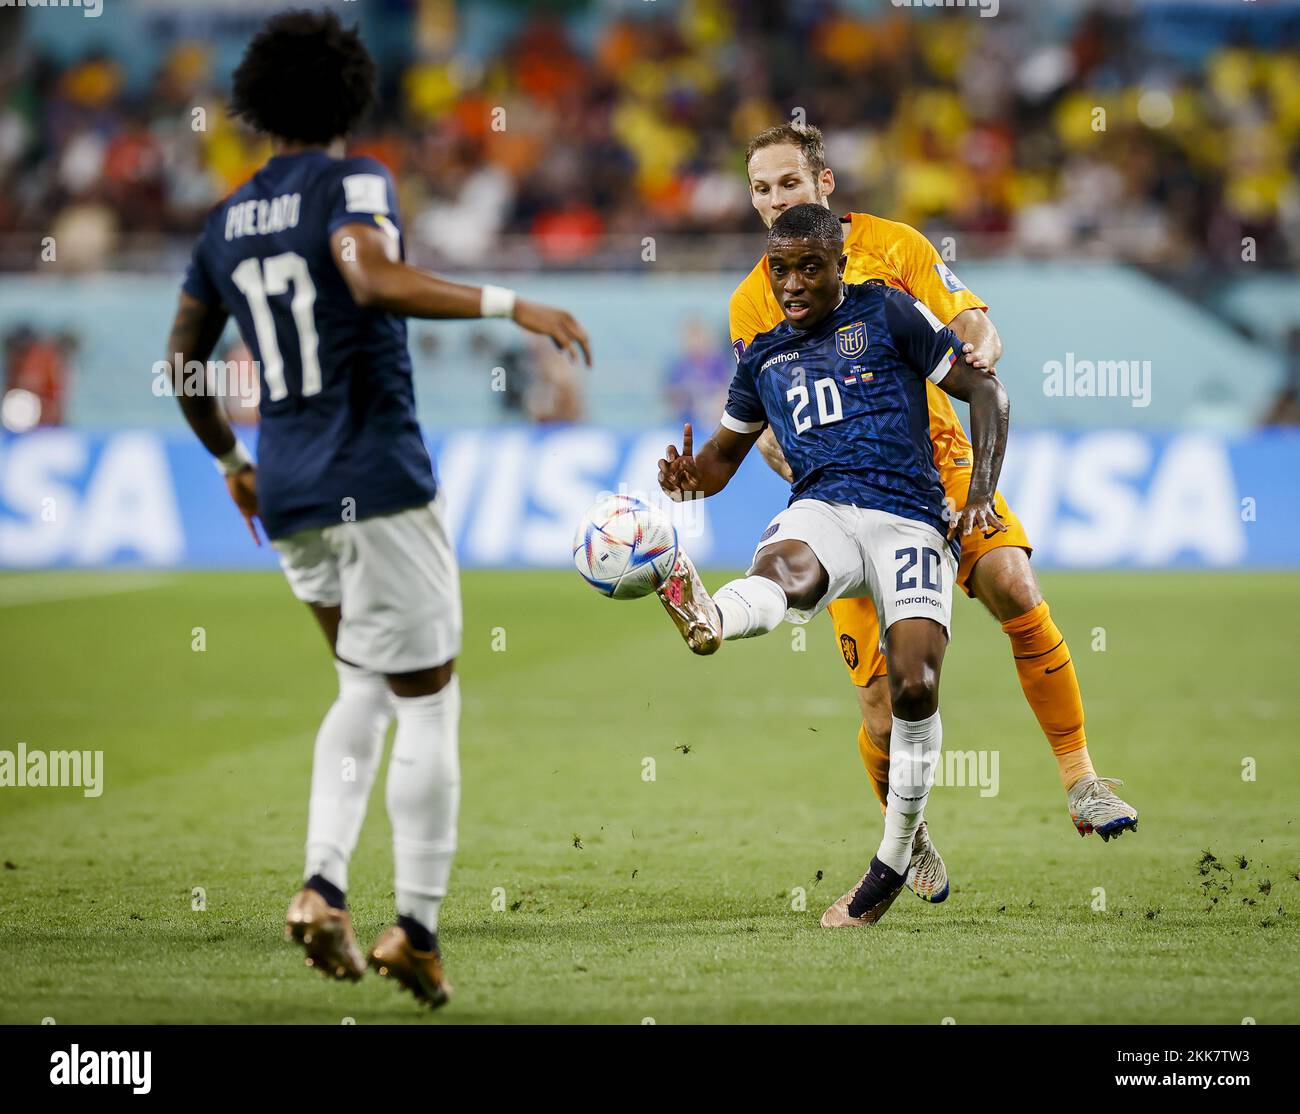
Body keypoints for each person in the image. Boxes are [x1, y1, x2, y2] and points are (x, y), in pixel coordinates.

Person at [164, 10, 590, 1008]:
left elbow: (184, 362)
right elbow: (370, 277)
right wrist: (509, 303)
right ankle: (420, 926)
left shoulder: (223, 221)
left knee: (359, 679)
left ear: (257, 105)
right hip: (378, 476)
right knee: (426, 698)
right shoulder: (352, 180)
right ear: (350, 96)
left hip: (291, 485)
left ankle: (321, 886)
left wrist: (232, 457)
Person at [729, 125, 1136, 892]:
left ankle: (1082, 778)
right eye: (760, 187)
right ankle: (908, 837)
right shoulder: (752, 300)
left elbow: (971, 321)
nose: (774, 199)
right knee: (883, 704)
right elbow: (763, 421)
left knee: (1015, 586)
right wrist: (786, 452)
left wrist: (974, 354)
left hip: (941, 464)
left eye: (788, 183)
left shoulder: (897, 246)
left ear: (825, 184)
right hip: (842, 495)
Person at [656, 204, 1007, 926]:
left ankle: (892, 860)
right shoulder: (763, 358)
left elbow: (987, 392)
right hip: (824, 510)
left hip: (910, 517)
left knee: (914, 686)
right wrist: (686, 477)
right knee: (786, 568)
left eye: (808, 267)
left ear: (840, 267)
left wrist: (979, 498)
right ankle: (712, 615)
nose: (791, 284)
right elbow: (719, 462)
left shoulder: (888, 314)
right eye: (779, 269)